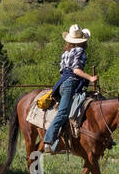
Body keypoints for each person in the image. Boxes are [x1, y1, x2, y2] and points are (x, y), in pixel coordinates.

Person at [41, 24, 98, 154]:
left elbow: (62, 72)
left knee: (67, 110)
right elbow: (76, 70)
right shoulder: (80, 51)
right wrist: (90, 78)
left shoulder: (66, 53)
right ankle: (48, 141)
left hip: (62, 83)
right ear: (83, 41)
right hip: (70, 84)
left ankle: (62, 142)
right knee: (63, 113)